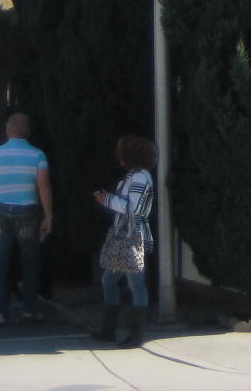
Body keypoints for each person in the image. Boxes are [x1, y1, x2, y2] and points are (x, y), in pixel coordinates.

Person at [0, 112, 53, 327]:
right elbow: (43, 186)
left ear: (8, 131)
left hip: (0, 211)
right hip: (27, 212)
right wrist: (48, 215)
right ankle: (30, 310)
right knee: (30, 261)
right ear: (28, 131)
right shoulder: (37, 155)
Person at [92, 135, 157, 348]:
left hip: (131, 234)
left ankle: (135, 334)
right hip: (125, 234)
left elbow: (134, 208)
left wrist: (107, 199)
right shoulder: (137, 176)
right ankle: (113, 329)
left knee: (135, 283)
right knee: (111, 280)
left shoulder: (139, 178)